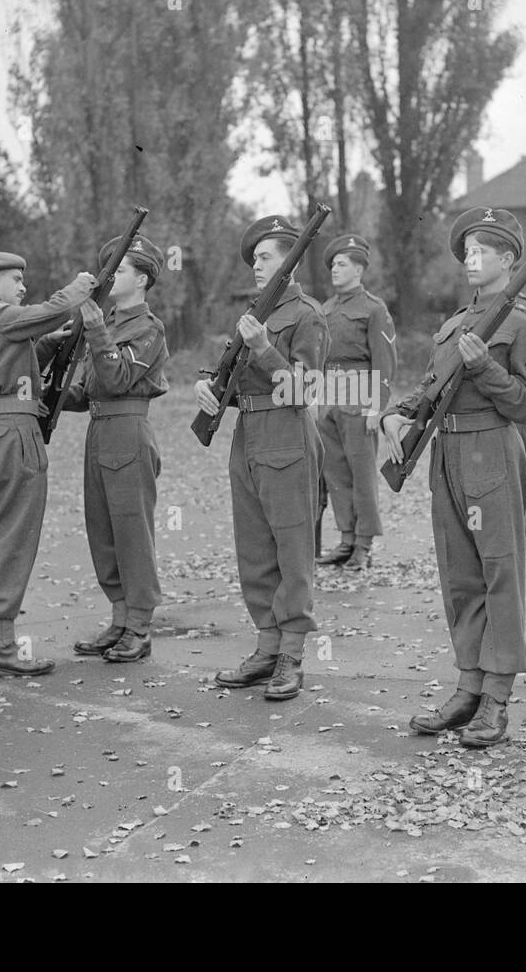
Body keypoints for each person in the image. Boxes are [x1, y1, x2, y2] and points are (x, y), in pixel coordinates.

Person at [383, 207, 526, 748]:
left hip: (492, 449)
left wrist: (485, 367)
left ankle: (497, 696)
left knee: (499, 569)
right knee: (460, 574)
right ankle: (468, 686)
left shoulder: (522, 321)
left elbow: (525, 406)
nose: (472, 259)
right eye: (467, 251)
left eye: (483, 250)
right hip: (446, 452)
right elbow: (433, 383)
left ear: (509, 259)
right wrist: (398, 413)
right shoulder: (457, 322)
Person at [194, 215, 328, 702]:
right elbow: (239, 382)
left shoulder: (307, 315)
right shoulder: (256, 313)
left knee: (292, 549)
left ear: (290, 263)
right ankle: (266, 646)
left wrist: (265, 348)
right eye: (253, 259)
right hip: (247, 434)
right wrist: (211, 391)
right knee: (253, 549)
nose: (256, 265)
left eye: (266, 257)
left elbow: (304, 390)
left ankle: (291, 652)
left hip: (287, 434)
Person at [0, 252, 95, 676]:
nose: (21, 287)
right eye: (15, 279)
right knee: (13, 539)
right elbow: (51, 310)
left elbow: (13, 355)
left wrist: (51, 341)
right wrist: (80, 287)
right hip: (13, 434)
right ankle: (1, 646)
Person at [67, 237, 169, 663]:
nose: (110, 276)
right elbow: (89, 386)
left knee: (131, 531)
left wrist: (95, 331)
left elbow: (114, 378)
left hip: (128, 431)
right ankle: (120, 618)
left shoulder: (148, 327)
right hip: (99, 429)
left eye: (120, 269)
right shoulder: (105, 321)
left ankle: (140, 627)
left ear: (142, 279)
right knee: (104, 530)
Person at [315, 234, 396, 571]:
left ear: (359, 269)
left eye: (342, 264)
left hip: (360, 397)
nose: (335, 269)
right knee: (335, 474)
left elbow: (385, 361)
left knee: (362, 475)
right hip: (329, 399)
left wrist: (377, 408)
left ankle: (364, 545)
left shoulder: (374, 309)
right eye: (333, 264)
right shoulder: (325, 309)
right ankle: (346, 539)